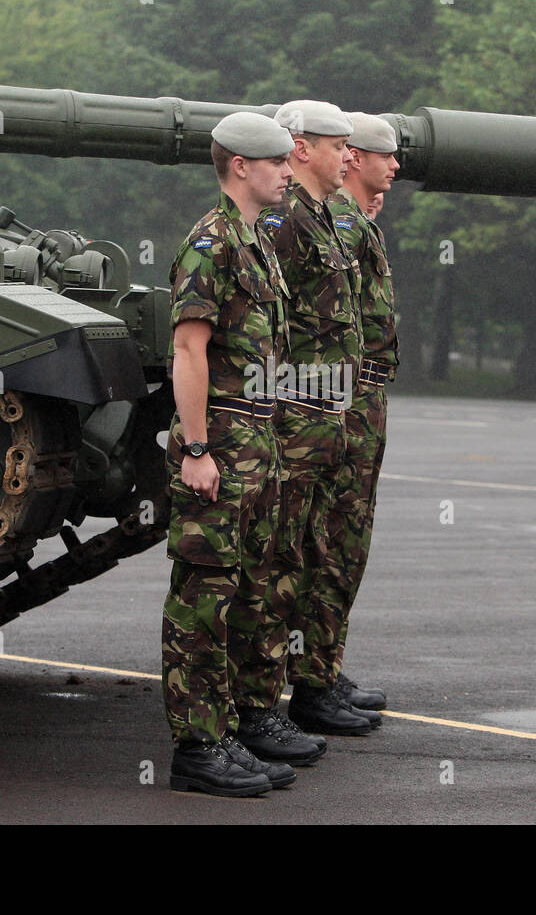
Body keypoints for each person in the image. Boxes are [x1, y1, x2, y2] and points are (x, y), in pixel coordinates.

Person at [161, 111, 317, 797]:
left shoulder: (255, 242)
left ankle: (232, 725)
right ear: (240, 167)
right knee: (205, 593)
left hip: (258, 447)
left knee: (250, 591)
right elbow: (189, 349)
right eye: (278, 162)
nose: (289, 171)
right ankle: (197, 746)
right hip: (219, 446)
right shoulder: (212, 242)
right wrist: (196, 446)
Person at [242, 99, 379, 737]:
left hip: (331, 417)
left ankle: (307, 685)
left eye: (353, 146)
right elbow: (266, 327)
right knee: (277, 565)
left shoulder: (321, 216)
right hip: (295, 421)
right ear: (302, 148)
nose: (348, 156)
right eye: (338, 145)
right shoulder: (286, 221)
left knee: (318, 554)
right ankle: (261, 707)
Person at [308, 112, 400, 713]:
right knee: (331, 542)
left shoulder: (355, 221)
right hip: (345, 398)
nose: (393, 167)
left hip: (361, 397)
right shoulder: (339, 220)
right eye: (382, 155)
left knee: (345, 542)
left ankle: (324, 665)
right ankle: (314, 678)